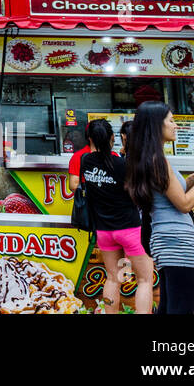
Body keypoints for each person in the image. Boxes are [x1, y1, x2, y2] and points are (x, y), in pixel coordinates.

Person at [125, 101, 194, 315]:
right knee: (180, 309)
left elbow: (167, 196)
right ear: (156, 126)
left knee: (169, 308)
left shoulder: (147, 158)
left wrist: (191, 181)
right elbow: (184, 204)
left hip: (166, 242)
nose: (176, 125)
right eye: (171, 121)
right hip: (177, 244)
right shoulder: (158, 160)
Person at [81, 118, 153, 314]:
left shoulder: (85, 162)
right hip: (129, 229)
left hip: (104, 231)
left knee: (113, 278)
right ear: (113, 137)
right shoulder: (121, 164)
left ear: (90, 139)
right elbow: (138, 194)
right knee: (145, 279)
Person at [66, 126, 90, 192]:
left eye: (76, 136)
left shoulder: (113, 155)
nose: (74, 139)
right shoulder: (78, 156)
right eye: (72, 137)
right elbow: (73, 186)